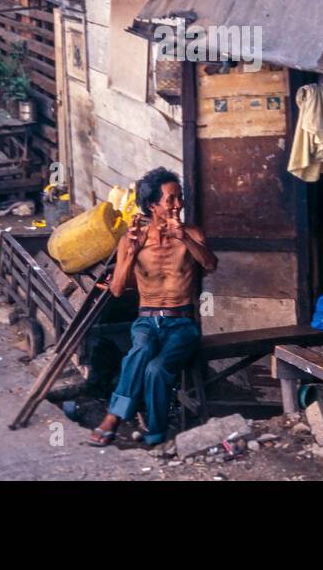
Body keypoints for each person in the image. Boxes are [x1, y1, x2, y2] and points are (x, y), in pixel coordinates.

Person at [87, 168, 215, 448]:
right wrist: (130, 255)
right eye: (171, 200)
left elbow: (210, 264)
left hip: (182, 323)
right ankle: (115, 417)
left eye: (179, 198)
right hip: (146, 321)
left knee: (157, 369)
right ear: (154, 206)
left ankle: (155, 432)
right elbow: (117, 289)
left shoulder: (192, 233)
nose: (178, 205)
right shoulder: (132, 240)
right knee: (142, 349)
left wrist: (185, 239)